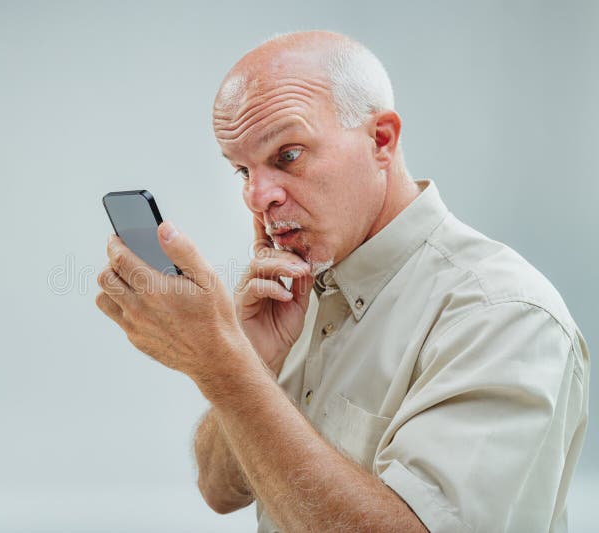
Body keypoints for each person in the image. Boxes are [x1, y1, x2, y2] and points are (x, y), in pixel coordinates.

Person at [95, 30, 589, 532]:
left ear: (381, 140)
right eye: (243, 171)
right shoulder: (296, 289)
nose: (257, 196)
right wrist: (250, 360)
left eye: (287, 155)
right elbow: (218, 491)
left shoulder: (502, 315)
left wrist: (221, 363)